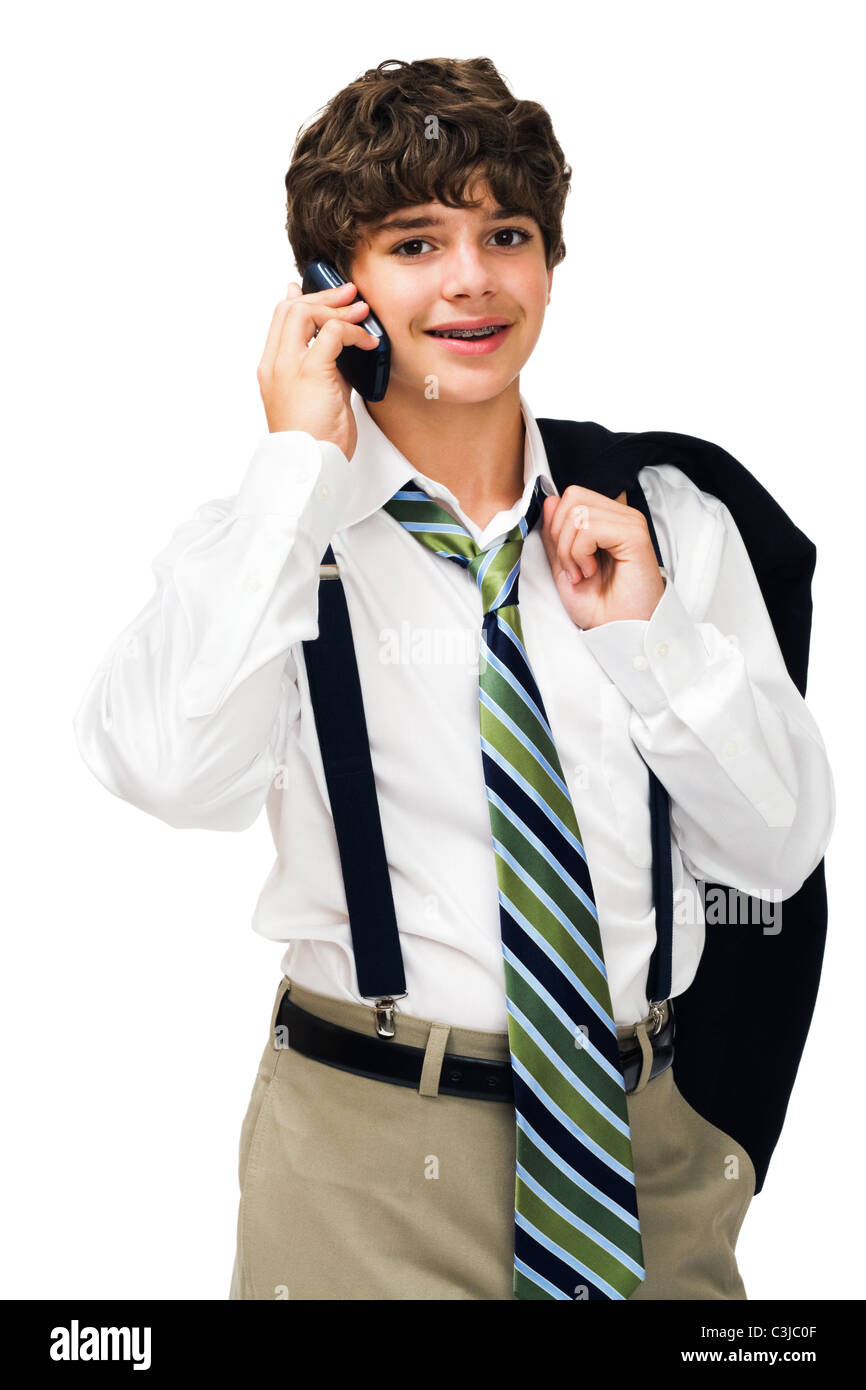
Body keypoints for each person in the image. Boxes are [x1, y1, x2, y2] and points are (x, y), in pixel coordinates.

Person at [72, 56, 835, 1301]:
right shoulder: (265, 542)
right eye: (416, 241)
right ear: (334, 290)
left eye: (506, 234)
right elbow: (163, 771)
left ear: (547, 265)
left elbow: (776, 847)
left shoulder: (672, 521)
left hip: (641, 1143)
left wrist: (647, 640)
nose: (472, 277)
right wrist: (288, 472)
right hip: (366, 1156)